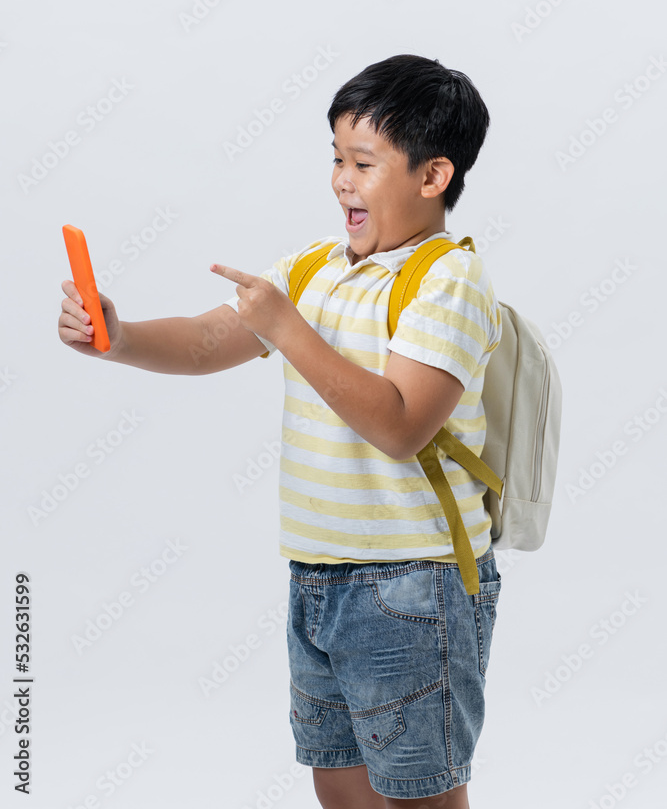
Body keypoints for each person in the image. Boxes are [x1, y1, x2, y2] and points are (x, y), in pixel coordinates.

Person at [58, 54, 502, 808]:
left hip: (412, 583)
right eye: (335, 157)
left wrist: (287, 329)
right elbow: (209, 341)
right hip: (317, 577)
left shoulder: (446, 280)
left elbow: (398, 426)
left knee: (420, 792)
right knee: (338, 784)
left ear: (432, 177)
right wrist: (118, 335)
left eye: (363, 162)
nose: (341, 180)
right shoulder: (312, 268)